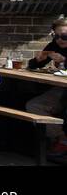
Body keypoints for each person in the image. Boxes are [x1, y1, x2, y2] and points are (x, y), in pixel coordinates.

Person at [25, 16, 67, 159]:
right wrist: (38, 60)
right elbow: (33, 65)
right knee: (34, 106)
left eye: (64, 36)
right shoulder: (54, 45)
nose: (60, 39)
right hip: (60, 88)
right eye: (56, 36)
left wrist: (65, 60)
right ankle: (61, 139)